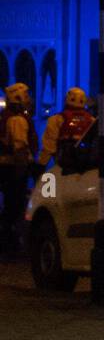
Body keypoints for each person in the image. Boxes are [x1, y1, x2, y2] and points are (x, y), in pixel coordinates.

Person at [0, 83, 36, 253]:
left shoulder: (10, 117)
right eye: (26, 96)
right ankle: (10, 244)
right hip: (14, 168)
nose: (28, 100)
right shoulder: (17, 120)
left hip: (9, 167)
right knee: (14, 207)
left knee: (10, 205)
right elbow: (20, 146)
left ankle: (8, 241)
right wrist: (24, 170)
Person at [41, 87, 95, 166]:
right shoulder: (92, 120)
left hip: (64, 163)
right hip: (87, 164)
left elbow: (49, 145)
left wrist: (42, 163)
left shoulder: (57, 119)